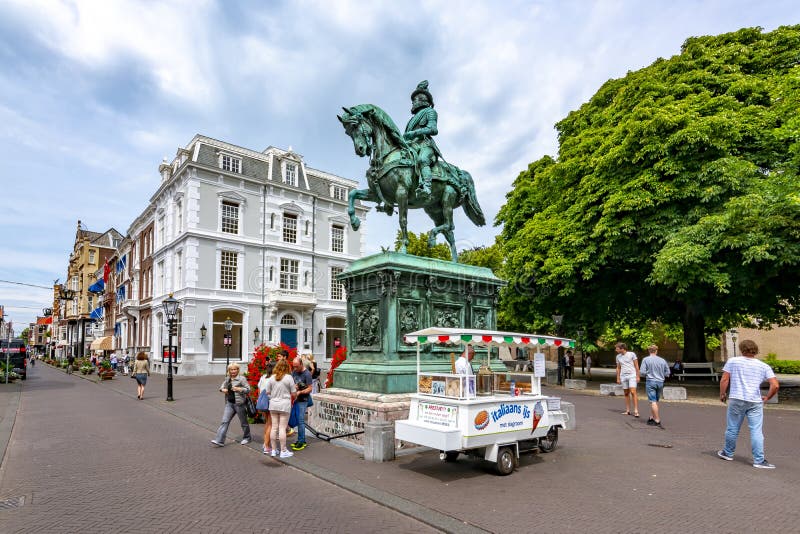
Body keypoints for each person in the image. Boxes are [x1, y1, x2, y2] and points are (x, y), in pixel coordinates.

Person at [717, 339, 779, 469]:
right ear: (755, 350)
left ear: (741, 349)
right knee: (756, 430)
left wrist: (722, 394)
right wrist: (767, 397)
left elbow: (724, 379)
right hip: (755, 401)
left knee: (732, 428)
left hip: (737, 398)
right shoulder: (763, 366)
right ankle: (759, 460)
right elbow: (775, 385)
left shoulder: (733, 361)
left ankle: (728, 453)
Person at [404, 80, 440, 196]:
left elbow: (433, 129)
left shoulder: (430, 112)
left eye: (415, 99)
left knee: (423, 160)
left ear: (423, 100)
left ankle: (426, 187)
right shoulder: (411, 120)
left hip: (425, 144)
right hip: (411, 145)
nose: (413, 102)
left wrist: (414, 133)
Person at [211, 363, 252, 447]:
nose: (233, 371)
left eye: (235, 369)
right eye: (231, 370)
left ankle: (247, 437)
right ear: (228, 371)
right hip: (229, 404)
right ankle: (220, 440)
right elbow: (221, 387)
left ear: (238, 370)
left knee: (243, 422)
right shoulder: (227, 379)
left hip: (239, 404)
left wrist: (239, 389)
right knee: (224, 421)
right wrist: (223, 390)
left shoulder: (242, 379)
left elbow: (248, 389)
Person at [264, 360, 297, 458]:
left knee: (274, 427)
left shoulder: (272, 378)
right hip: (284, 405)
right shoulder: (289, 377)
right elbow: (294, 393)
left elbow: (267, 392)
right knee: (282, 428)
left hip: (273, 404)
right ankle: (283, 450)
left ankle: (274, 450)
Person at [639, 345, 671, 427]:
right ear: (656, 351)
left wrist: (649, 373)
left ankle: (657, 419)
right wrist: (661, 374)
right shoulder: (662, 360)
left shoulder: (646, 359)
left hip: (651, 381)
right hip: (660, 382)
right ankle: (652, 416)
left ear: (649, 351)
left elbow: (642, 372)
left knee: (652, 401)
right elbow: (668, 373)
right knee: (655, 401)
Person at [290, 357, 313, 451]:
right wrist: (294, 387)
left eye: (296, 367)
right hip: (295, 399)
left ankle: (302, 441)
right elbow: (292, 382)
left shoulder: (307, 374)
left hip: (303, 399)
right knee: (297, 420)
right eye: (293, 367)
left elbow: (310, 388)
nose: (295, 369)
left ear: (301, 364)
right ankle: (300, 439)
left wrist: (300, 392)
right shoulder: (294, 372)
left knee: (300, 420)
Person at [615, 342, 640, 417]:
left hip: (632, 375)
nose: (616, 350)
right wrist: (618, 377)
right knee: (626, 393)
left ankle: (636, 410)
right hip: (623, 376)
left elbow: (636, 366)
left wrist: (638, 376)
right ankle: (628, 410)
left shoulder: (631, 354)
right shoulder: (618, 356)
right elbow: (618, 368)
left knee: (633, 392)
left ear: (622, 349)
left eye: (617, 348)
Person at [258, 365, 274, 455]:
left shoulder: (263, 377)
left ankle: (265, 443)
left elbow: (259, 389)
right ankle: (267, 446)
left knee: (267, 423)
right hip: (270, 401)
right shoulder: (274, 378)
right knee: (270, 424)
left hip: (263, 401)